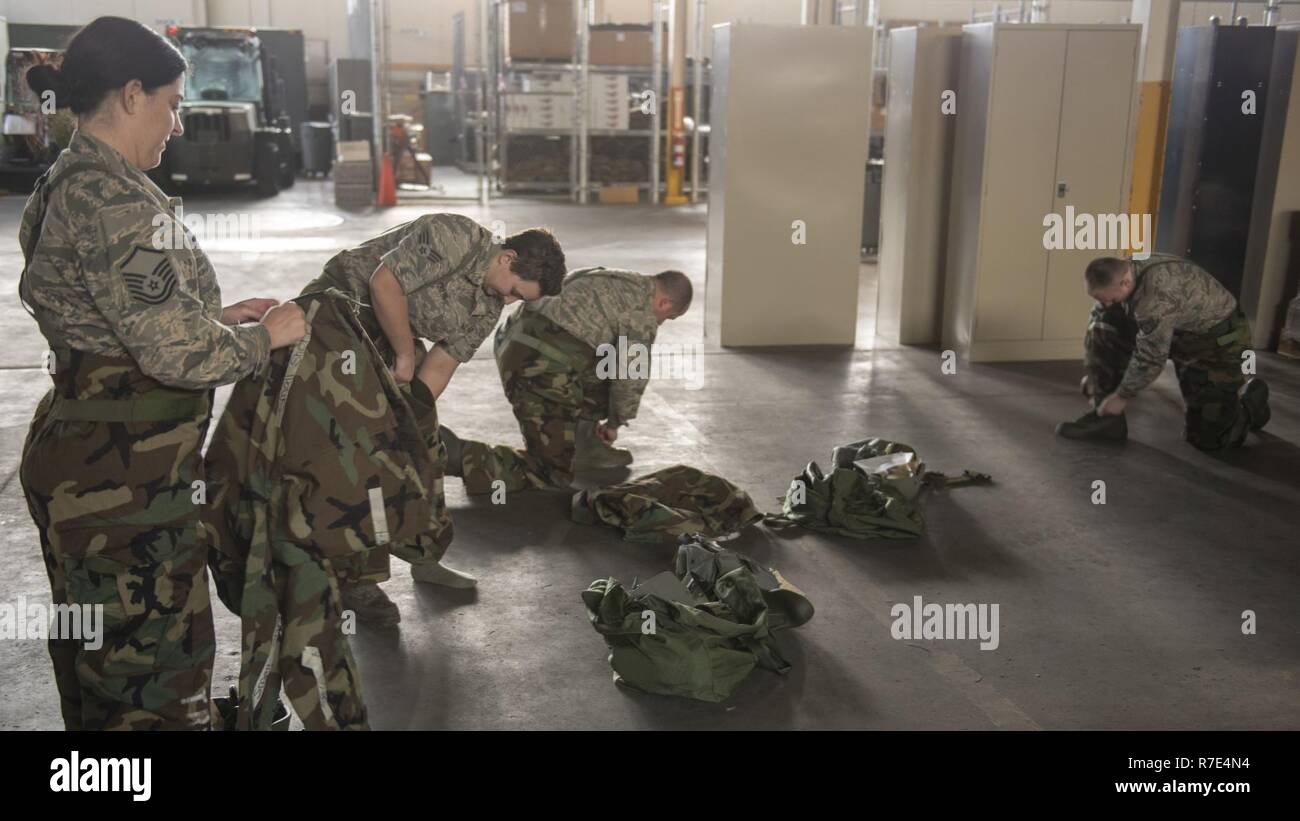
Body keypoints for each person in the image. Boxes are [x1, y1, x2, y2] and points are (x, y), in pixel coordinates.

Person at [17, 16, 305, 730]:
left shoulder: (70, 178)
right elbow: (173, 355)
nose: (177, 122)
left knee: (99, 662)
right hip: (124, 490)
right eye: (172, 103)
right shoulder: (115, 202)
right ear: (133, 93)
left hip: (87, 462)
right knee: (153, 678)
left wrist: (217, 312)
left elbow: (110, 313)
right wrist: (262, 338)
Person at [301, 214, 565, 622]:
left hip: (391, 334)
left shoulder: (488, 304)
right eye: (515, 291)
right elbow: (383, 284)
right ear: (507, 258)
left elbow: (440, 367)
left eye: (519, 300)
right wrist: (405, 357)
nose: (510, 302)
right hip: (340, 311)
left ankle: (424, 554)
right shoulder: (453, 236)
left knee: (422, 443)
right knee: (363, 445)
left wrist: (414, 418)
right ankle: (358, 580)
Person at [443, 266, 692, 495]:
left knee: (605, 361)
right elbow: (631, 377)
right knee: (552, 473)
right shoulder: (642, 313)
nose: (661, 322)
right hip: (539, 366)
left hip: (513, 344)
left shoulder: (608, 276)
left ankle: (583, 443)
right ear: (664, 301)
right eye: (667, 316)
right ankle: (449, 453)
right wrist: (616, 423)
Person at [1056, 254, 1270, 449]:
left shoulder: (1155, 296)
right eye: (1100, 298)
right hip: (1177, 327)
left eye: (1110, 298)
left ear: (1125, 282)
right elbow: (1101, 318)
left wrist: (1122, 396)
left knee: (1209, 438)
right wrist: (1096, 374)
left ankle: (1250, 406)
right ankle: (1108, 421)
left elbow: (1151, 357)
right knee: (1105, 321)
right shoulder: (1122, 273)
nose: (1105, 303)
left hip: (1215, 340)